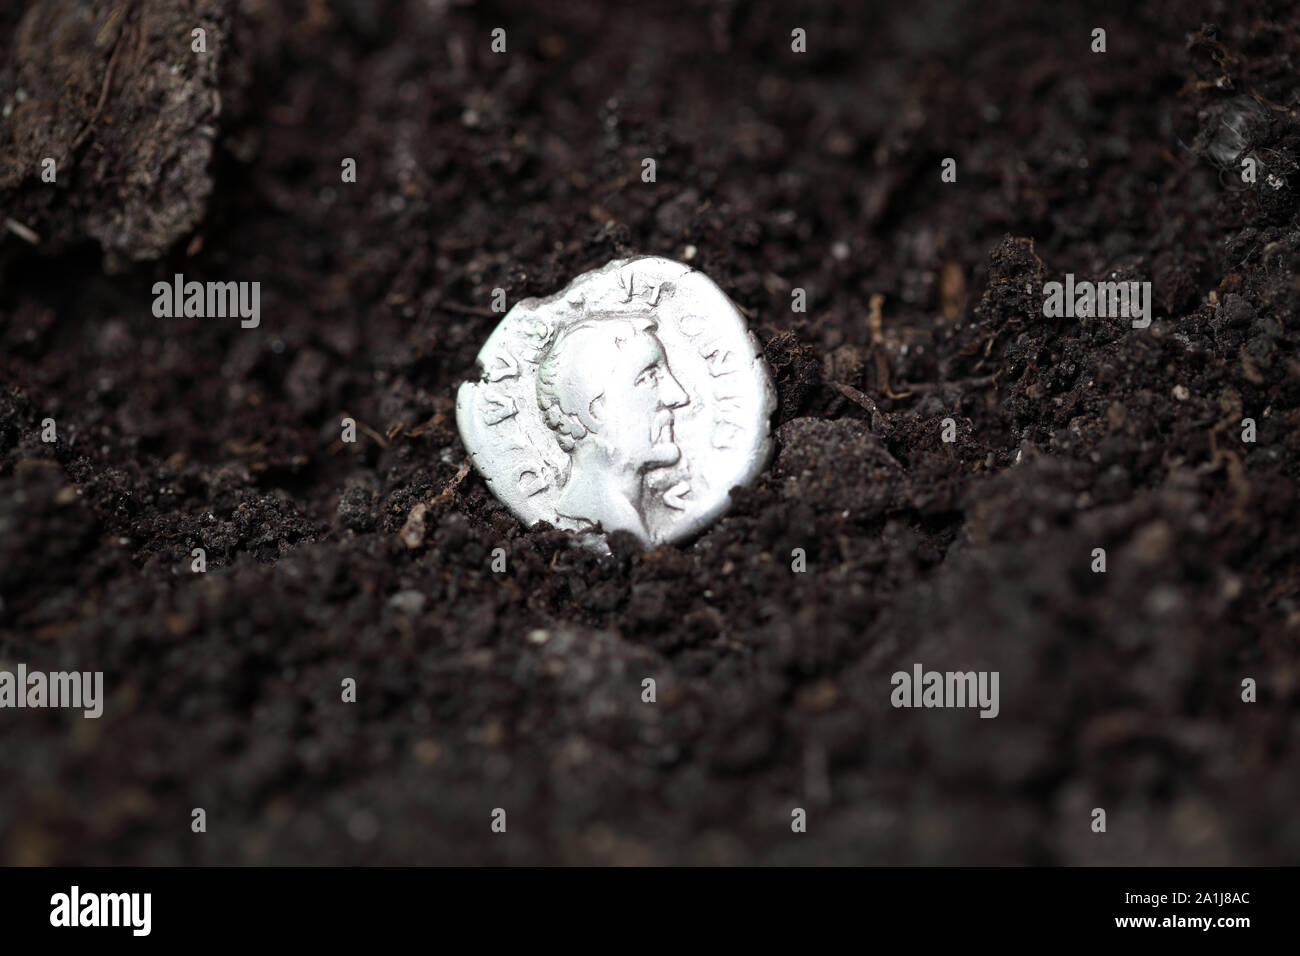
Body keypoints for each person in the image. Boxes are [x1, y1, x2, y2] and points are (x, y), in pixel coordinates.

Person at [536, 314, 689, 543]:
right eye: (648, 378)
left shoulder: (624, 518)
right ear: (591, 411)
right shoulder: (597, 518)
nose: (679, 396)